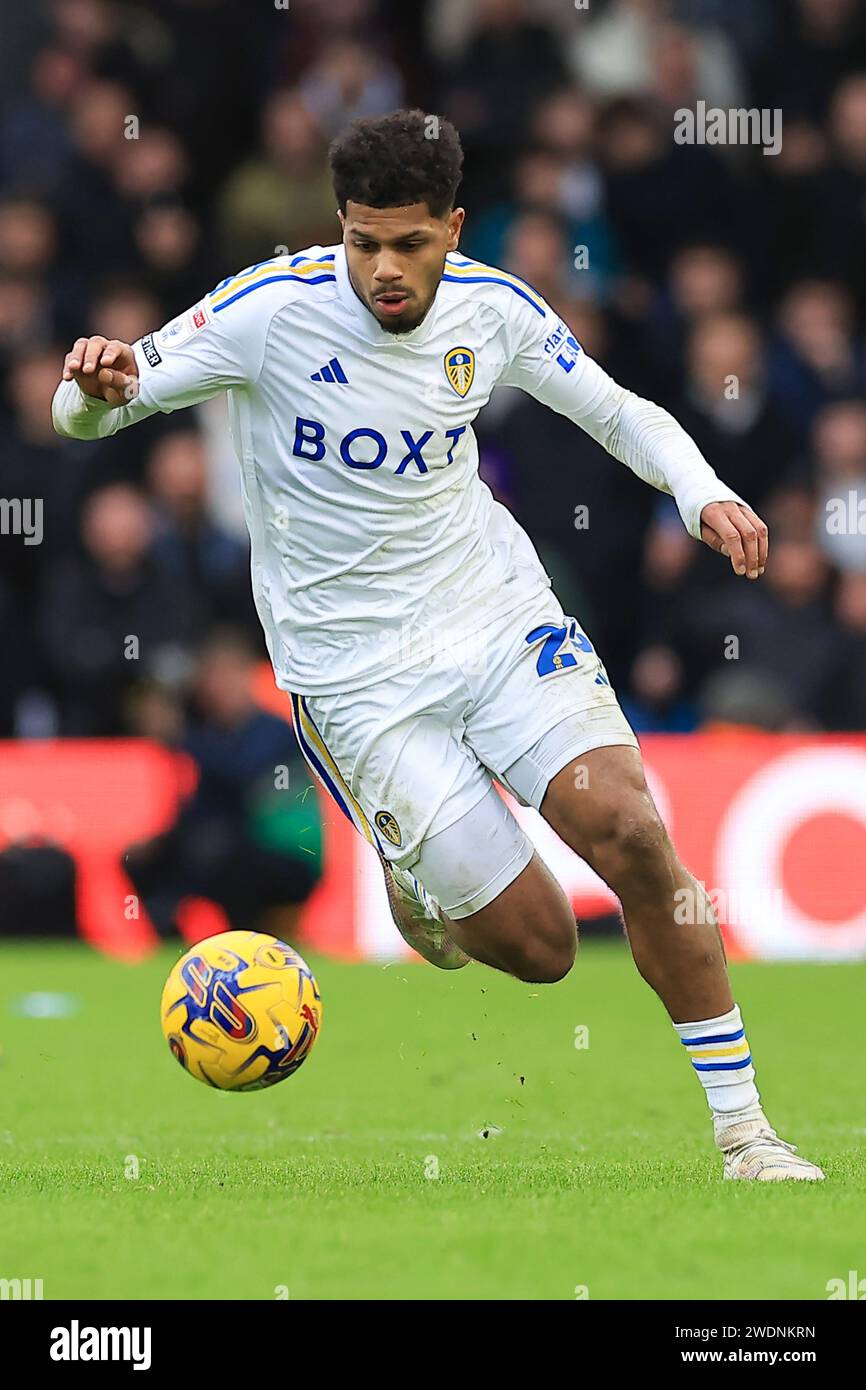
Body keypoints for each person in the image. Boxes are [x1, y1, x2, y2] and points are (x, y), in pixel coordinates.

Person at [52, 108, 821, 1182]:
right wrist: (93, 395)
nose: (383, 269)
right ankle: (420, 888)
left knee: (633, 836)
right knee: (543, 951)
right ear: (339, 226)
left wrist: (701, 490)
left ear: (452, 227)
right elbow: (85, 407)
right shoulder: (267, 312)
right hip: (356, 681)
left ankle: (746, 1135)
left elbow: (618, 412)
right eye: (362, 241)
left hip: (494, 618)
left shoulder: (494, 310)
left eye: (408, 242)